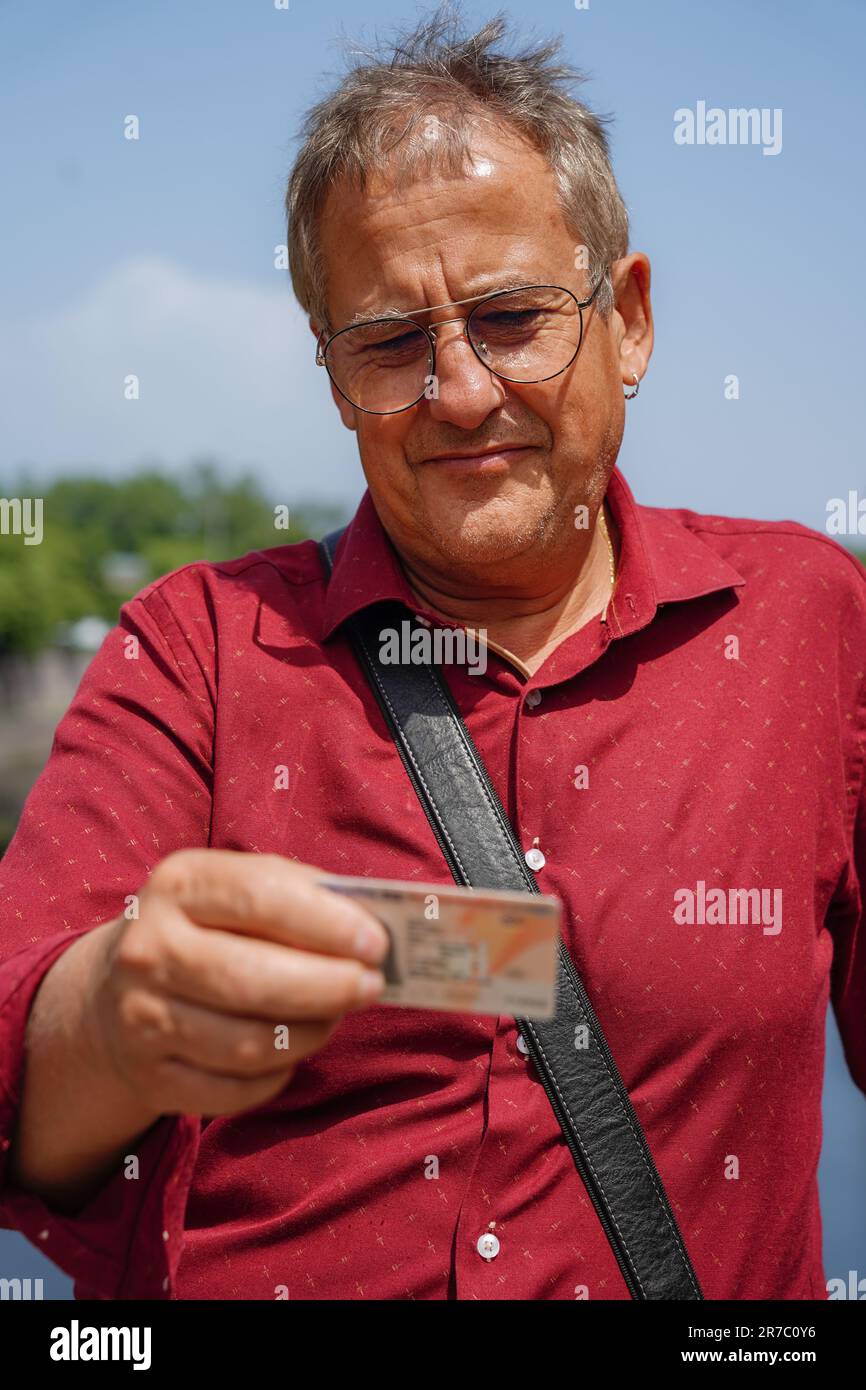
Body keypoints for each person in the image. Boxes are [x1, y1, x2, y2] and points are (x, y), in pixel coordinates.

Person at [1, 10, 864, 1301]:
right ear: (332, 375)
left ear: (626, 321)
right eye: (391, 342)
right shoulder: (198, 648)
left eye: (512, 317)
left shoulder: (805, 617)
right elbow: (26, 1093)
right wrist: (127, 1009)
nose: (457, 392)